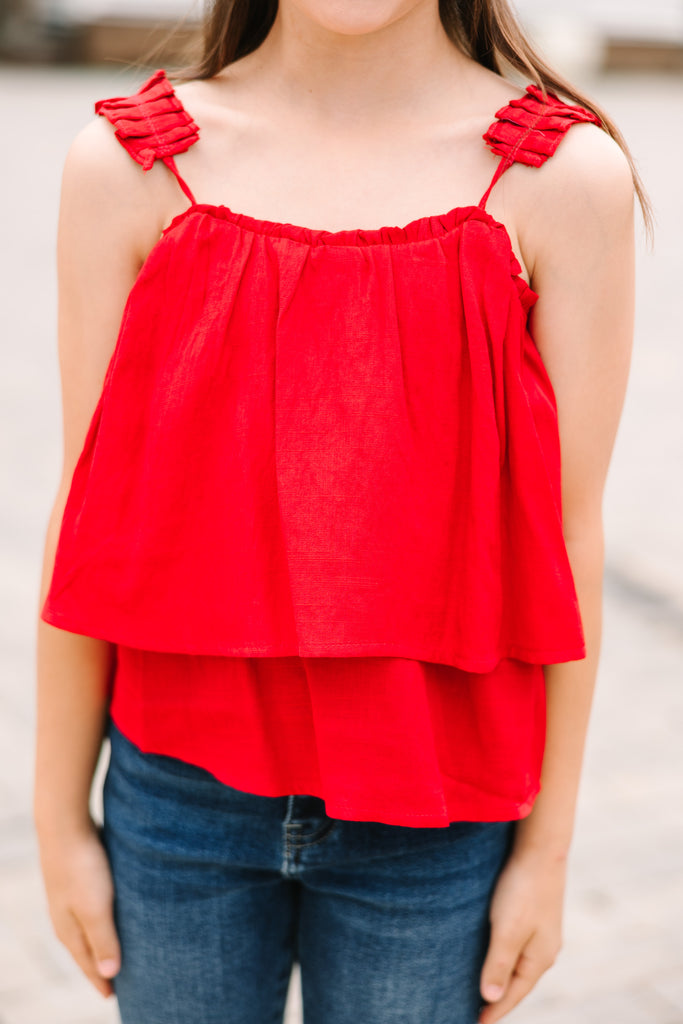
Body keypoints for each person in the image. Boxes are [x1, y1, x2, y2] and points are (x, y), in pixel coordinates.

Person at [34, 2, 649, 1023]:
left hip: (436, 812)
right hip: (176, 794)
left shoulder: (561, 181)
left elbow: (565, 543)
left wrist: (546, 851)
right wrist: (56, 817)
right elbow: (85, 513)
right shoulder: (128, 166)